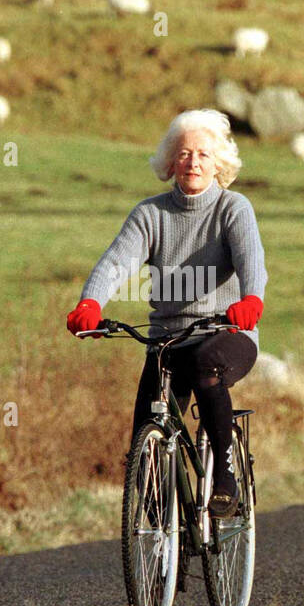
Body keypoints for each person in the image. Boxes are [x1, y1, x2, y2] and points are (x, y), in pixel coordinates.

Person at [66, 108, 267, 518]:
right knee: (146, 435)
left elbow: (252, 262)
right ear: (170, 161)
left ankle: (225, 479)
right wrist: (90, 303)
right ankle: (161, 546)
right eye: (184, 153)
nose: (194, 162)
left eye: (204, 155)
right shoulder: (149, 214)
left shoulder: (234, 209)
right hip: (167, 340)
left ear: (219, 163)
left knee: (207, 367)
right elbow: (116, 263)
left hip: (227, 334)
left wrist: (251, 301)